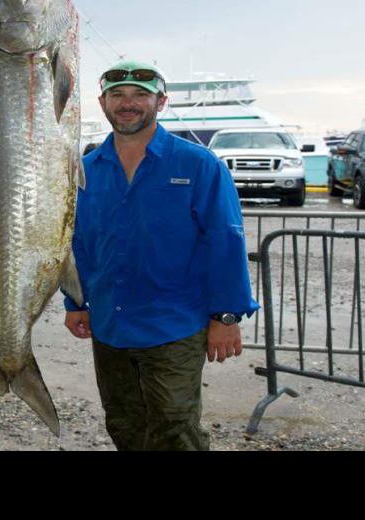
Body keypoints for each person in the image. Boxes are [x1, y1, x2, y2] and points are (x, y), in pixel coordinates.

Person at [63, 60, 259, 451]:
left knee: (175, 429)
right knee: (124, 423)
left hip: (174, 324)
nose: (128, 103)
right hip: (110, 324)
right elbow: (78, 243)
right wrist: (76, 302)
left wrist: (226, 315)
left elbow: (226, 240)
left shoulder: (198, 164)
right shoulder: (84, 170)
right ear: (103, 103)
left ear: (161, 101)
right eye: (118, 95)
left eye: (140, 95)